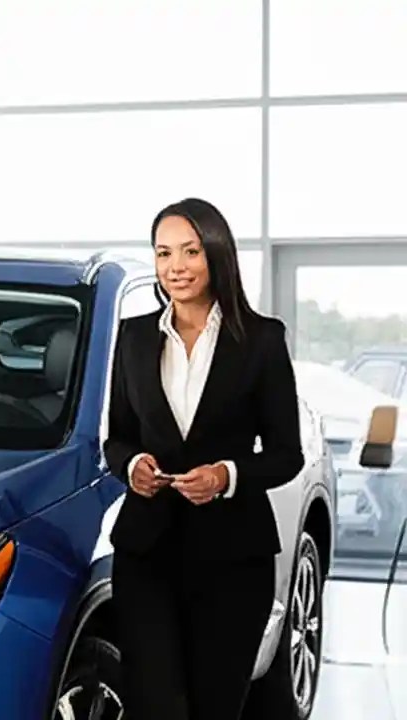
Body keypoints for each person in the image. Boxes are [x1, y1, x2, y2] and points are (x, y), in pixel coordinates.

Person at [103, 197, 305, 720]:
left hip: (233, 559)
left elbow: (287, 455)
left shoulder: (261, 340)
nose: (176, 267)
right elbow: (117, 438)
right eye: (164, 252)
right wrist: (132, 467)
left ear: (216, 253)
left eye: (190, 251)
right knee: (155, 705)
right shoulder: (132, 337)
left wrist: (226, 475)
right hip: (147, 553)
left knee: (216, 706)